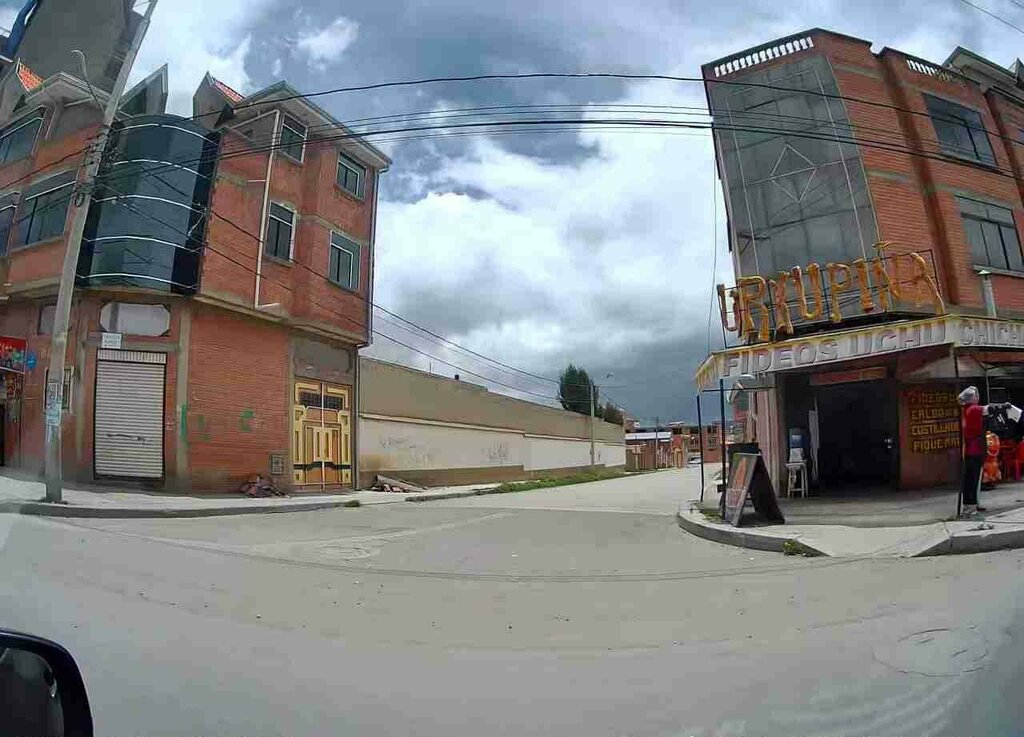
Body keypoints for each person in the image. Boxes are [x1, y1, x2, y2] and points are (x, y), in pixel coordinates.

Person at [958, 386, 989, 518]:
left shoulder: (967, 410)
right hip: (974, 450)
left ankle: (974, 503)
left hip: (974, 449)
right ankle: (969, 507)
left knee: (975, 478)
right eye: (976, 395)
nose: (978, 397)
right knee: (972, 479)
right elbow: (989, 409)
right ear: (972, 398)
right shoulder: (974, 409)